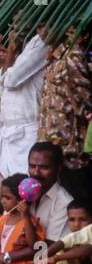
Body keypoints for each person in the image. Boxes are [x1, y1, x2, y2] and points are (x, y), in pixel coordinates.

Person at [0, 28, 49, 179]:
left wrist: (11, 48)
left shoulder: (42, 43)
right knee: (10, 189)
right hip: (10, 132)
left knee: (27, 185)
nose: (14, 27)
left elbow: (10, 80)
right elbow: (4, 81)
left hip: (26, 133)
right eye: (12, 24)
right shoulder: (28, 45)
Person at [38, 30, 91, 171]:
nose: (42, 32)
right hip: (50, 148)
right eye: (39, 27)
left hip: (69, 152)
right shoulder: (53, 57)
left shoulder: (72, 56)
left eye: (45, 26)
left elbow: (86, 101)